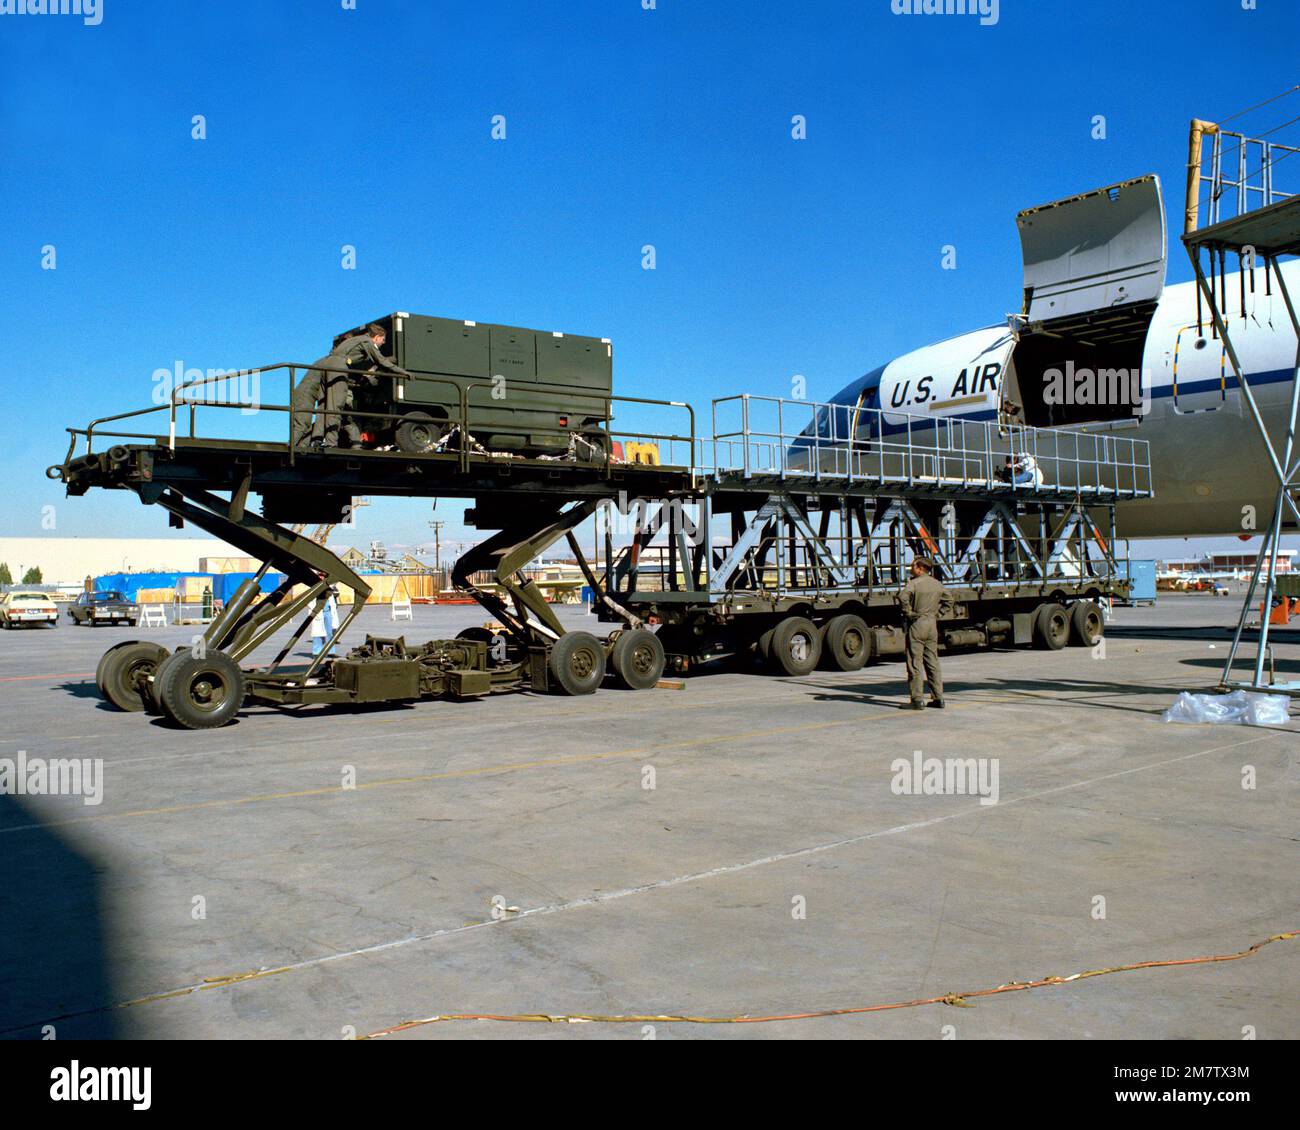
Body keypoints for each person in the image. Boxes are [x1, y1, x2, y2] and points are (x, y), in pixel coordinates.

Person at [291, 323, 409, 448]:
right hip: (322, 381)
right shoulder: (365, 343)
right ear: (377, 337)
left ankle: (313, 442)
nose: (383, 343)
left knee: (325, 409)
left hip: (323, 379)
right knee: (331, 410)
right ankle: (323, 443)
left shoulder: (334, 356)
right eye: (383, 339)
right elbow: (381, 361)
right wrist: (403, 372)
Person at [900, 556, 949, 710]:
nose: (911, 568)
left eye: (913, 566)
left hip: (917, 624)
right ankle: (938, 698)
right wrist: (939, 614)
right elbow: (950, 600)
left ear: (920, 568)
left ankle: (917, 700)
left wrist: (908, 612)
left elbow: (902, 597)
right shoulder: (937, 584)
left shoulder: (914, 583)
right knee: (932, 662)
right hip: (931, 624)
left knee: (915, 662)